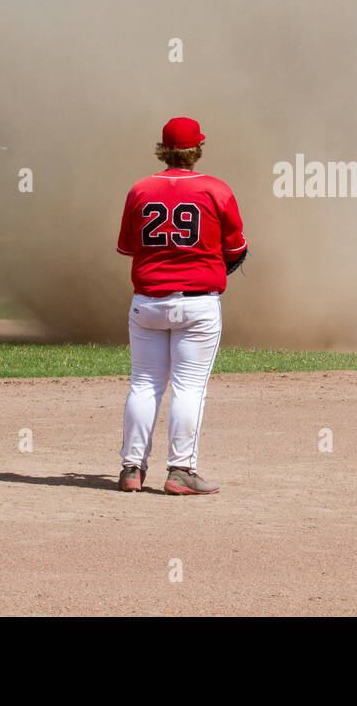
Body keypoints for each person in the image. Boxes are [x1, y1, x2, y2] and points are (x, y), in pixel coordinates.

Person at [115, 117, 247, 495]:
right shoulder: (215, 190)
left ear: (163, 149)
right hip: (198, 305)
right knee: (189, 388)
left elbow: (128, 247)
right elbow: (235, 250)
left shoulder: (140, 189)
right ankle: (180, 471)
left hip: (148, 302)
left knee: (143, 385)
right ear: (198, 149)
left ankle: (131, 468)